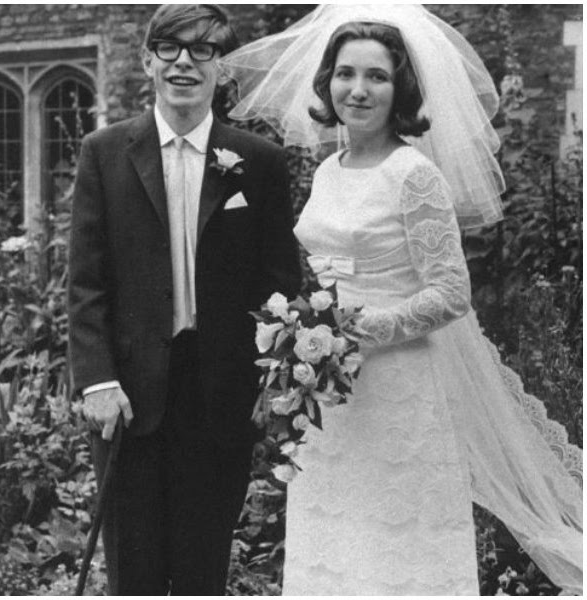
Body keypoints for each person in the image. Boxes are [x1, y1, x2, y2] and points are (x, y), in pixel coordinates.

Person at [223, 4, 582, 595]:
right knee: (335, 544)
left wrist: (355, 332)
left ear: (401, 89)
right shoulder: (331, 168)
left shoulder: (414, 174)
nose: (357, 90)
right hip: (331, 397)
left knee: (397, 551)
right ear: (327, 81)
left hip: (401, 392)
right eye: (345, 73)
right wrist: (306, 336)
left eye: (376, 76)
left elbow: (450, 293)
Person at [67, 4, 301, 594]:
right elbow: (86, 282)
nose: (184, 63)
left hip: (220, 397)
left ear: (222, 69)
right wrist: (96, 380)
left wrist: (267, 385)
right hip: (126, 395)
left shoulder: (260, 163)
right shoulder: (104, 151)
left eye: (203, 51)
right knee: (134, 574)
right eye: (169, 48)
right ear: (147, 61)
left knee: (203, 574)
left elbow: (279, 283)